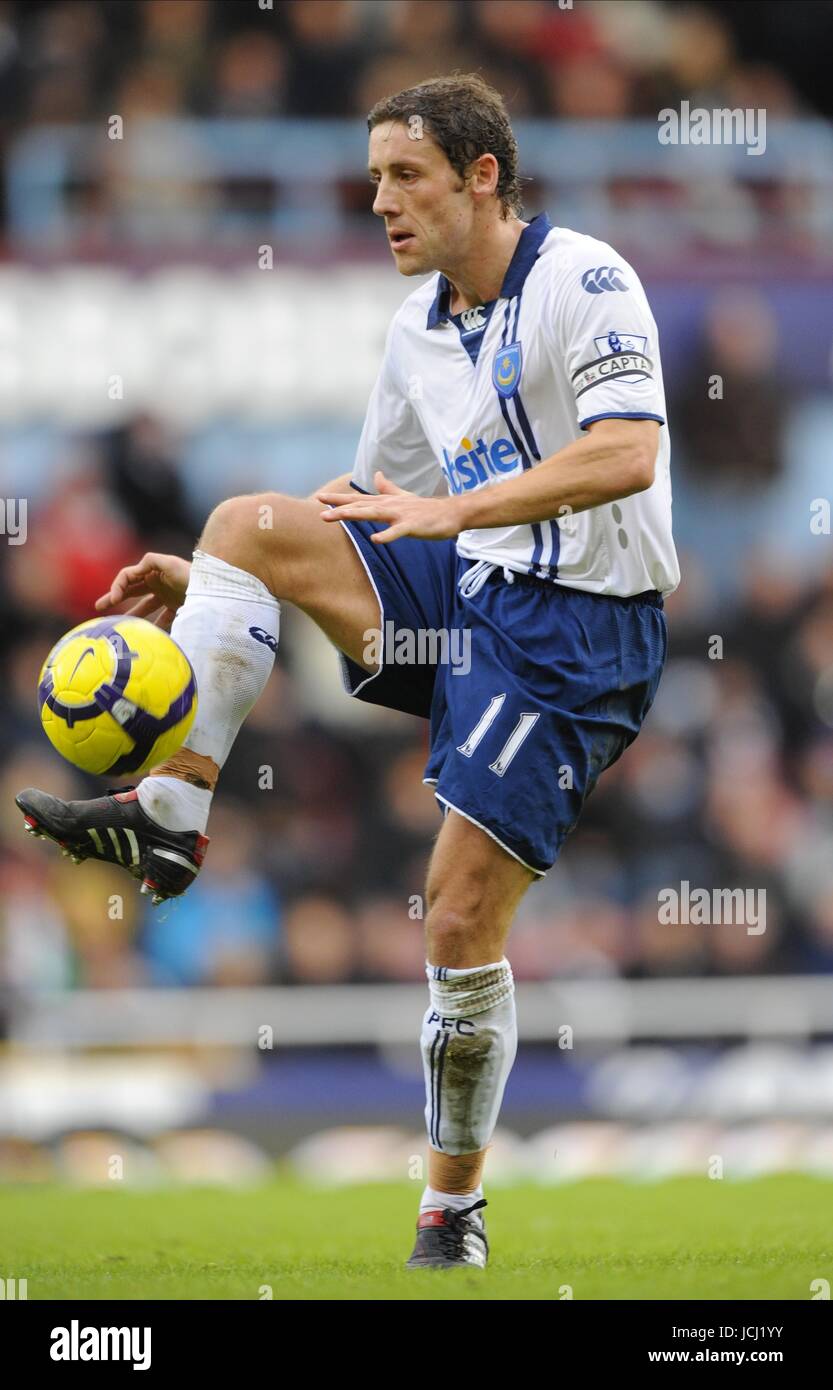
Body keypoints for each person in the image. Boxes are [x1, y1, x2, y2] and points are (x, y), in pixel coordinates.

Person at [16, 73, 678, 1269]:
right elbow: (363, 500)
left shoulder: (584, 282)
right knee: (246, 520)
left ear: (482, 176)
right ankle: (171, 811)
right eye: (373, 178)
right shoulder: (416, 325)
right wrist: (222, 578)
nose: (379, 201)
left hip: (577, 634)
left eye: (404, 175)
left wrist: (460, 507)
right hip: (465, 592)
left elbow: (626, 452)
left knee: (456, 914)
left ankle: (450, 1209)